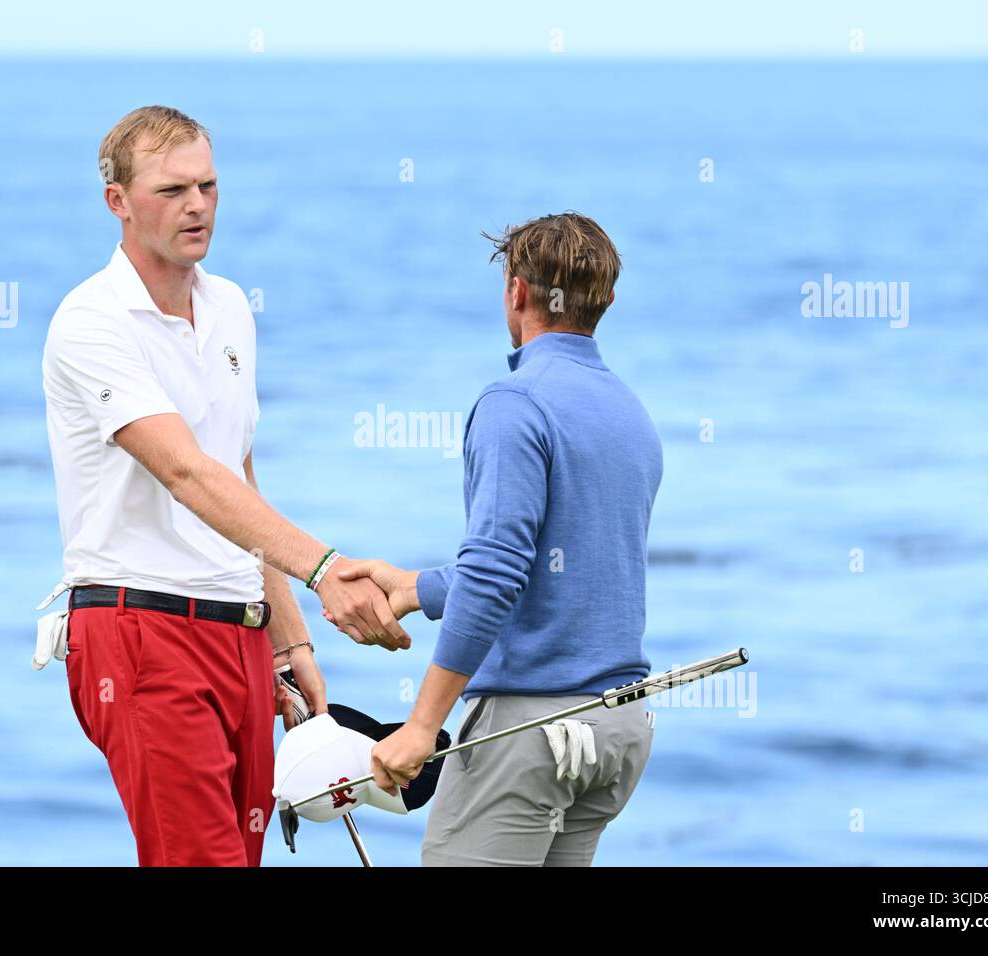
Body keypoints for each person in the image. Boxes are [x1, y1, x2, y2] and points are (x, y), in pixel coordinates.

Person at [40, 105, 408, 866]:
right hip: (138, 629)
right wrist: (324, 570)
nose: (198, 205)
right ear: (117, 201)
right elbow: (183, 472)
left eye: (208, 185)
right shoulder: (90, 321)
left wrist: (287, 637)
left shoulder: (232, 306)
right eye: (173, 189)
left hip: (238, 631)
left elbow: (236, 473)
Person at [339, 212, 663, 866]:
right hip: (616, 731)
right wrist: (414, 588)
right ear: (607, 300)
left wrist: (423, 725)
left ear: (517, 292)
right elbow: (559, 566)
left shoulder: (515, 402)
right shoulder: (631, 414)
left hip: (532, 733)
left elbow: (494, 572)